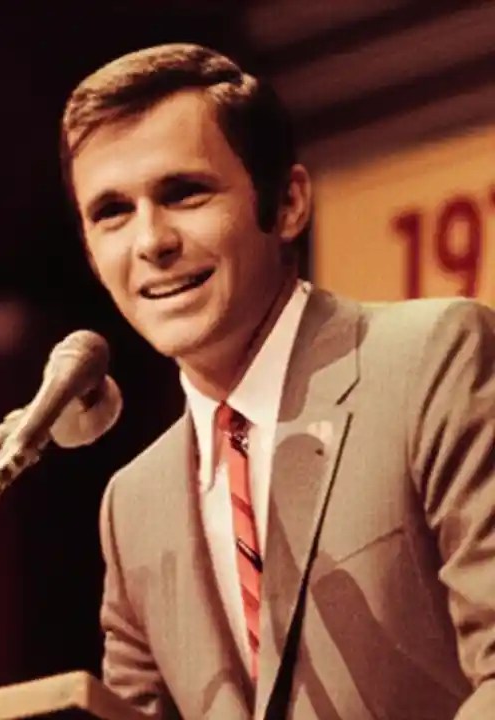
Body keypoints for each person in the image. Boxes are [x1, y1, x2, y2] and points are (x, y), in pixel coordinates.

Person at [60, 43, 495, 719]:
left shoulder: (432, 360)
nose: (151, 241)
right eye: (112, 212)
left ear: (288, 203)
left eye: (184, 193)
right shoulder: (132, 506)